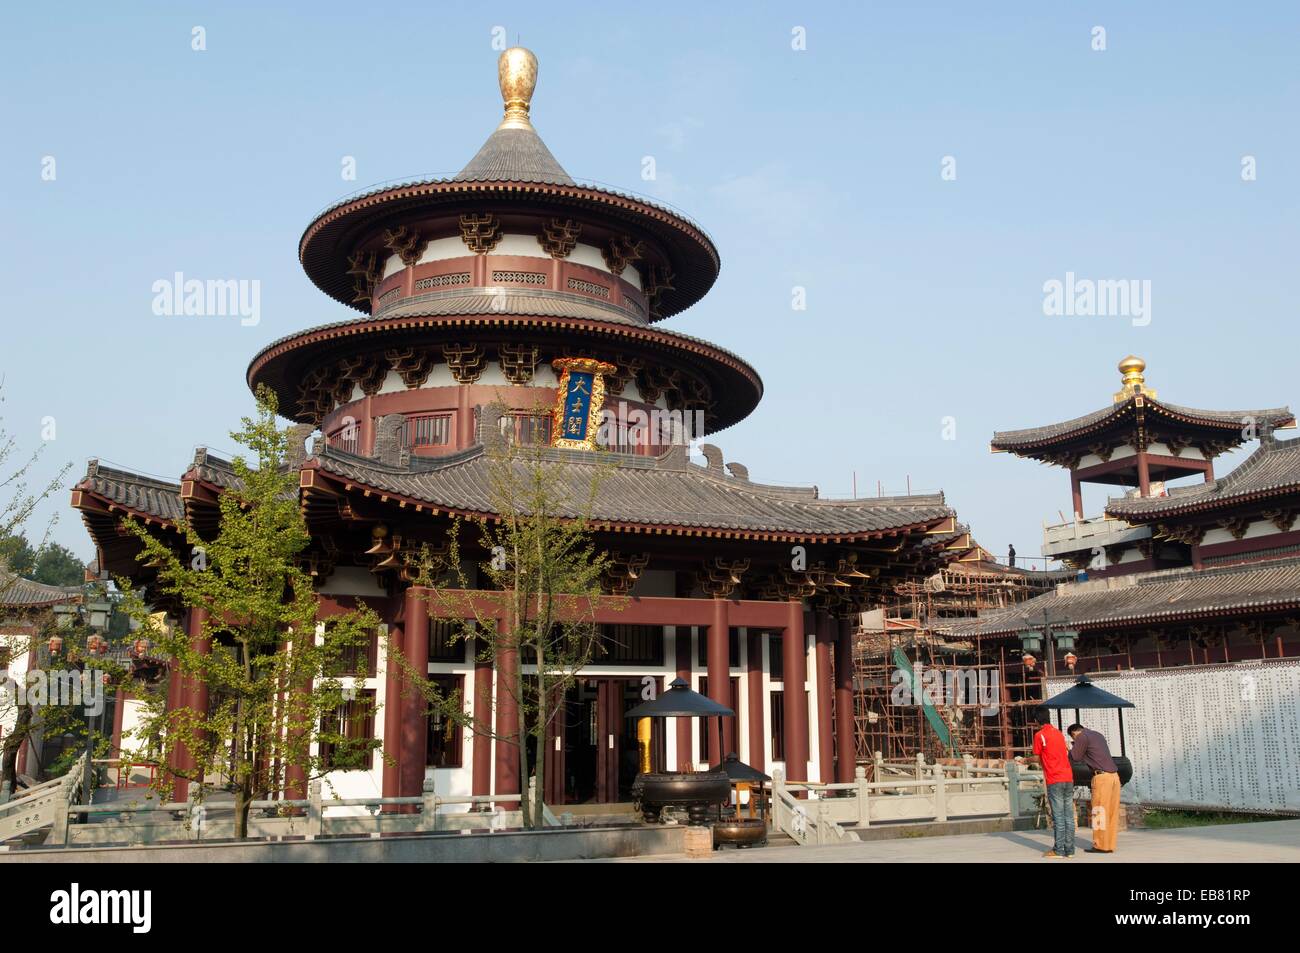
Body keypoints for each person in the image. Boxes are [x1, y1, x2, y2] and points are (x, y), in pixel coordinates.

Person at [1068, 723, 1120, 854]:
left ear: (1074, 734)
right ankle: (1110, 844)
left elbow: (1075, 757)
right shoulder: (1097, 734)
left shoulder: (1081, 737)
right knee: (1111, 813)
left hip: (1101, 778)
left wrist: (1072, 746)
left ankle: (1101, 845)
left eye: (1073, 738)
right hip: (1114, 777)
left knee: (1099, 812)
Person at [1030, 707, 1074, 858]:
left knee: (1059, 817)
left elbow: (1036, 758)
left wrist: (1024, 760)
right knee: (1068, 815)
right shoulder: (1059, 733)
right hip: (1068, 778)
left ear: (1036, 721)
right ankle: (1070, 850)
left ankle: (1058, 850)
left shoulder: (1039, 735)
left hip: (1054, 779)